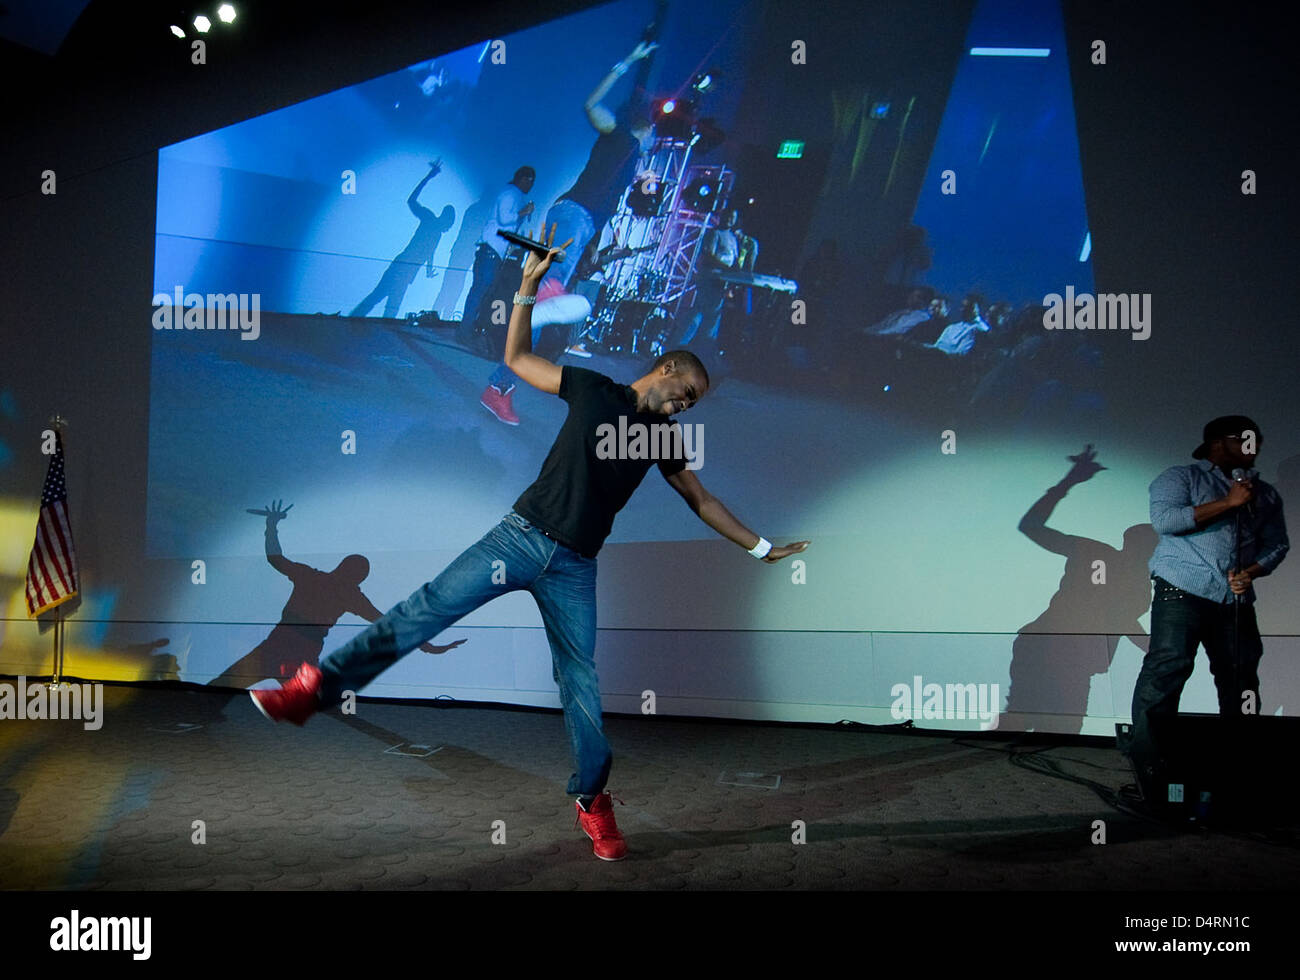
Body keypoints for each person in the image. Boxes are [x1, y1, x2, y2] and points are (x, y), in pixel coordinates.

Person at [252, 228, 811, 861]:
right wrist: (524, 286)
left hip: (575, 567)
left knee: (580, 683)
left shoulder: (664, 440)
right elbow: (517, 361)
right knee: (421, 611)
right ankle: (310, 692)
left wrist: (763, 549)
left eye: (691, 405)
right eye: (685, 393)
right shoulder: (594, 388)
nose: (684, 407)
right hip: (517, 540)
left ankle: (593, 802)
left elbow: (702, 501)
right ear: (665, 370)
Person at [481, 41, 659, 427]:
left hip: (579, 223)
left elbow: (629, 202)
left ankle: (500, 385)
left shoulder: (631, 159)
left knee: (538, 317)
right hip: (573, 217)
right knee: (541, 308)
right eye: (653, 130)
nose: (655, 138)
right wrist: (627, 61)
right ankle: (534, 308)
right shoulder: (619, 136)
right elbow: (591, 105)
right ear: (642, 127)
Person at [1127, 416, 1289, 777]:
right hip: (1182, 589)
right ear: (1218, 444)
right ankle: (1150, 761)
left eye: (1257, 440)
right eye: (1245, 439)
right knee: (1168, 668)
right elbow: (1167, 521)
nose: (1255, 446)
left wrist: (1251, 572)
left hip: (1234, 600)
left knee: (1241, 676)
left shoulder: (1265, 493)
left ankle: (1239, 760)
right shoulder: (1181, 477)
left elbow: (1277, 544)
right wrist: (1229, 502)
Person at [351, 160, 456, 319]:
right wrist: (428, 177)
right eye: (449, 225)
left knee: (383, 301)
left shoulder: (437, 233)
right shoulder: (428, 219)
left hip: (406, 270)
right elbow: (411, 200)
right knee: (385, 302)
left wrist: (429, 268)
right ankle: (355, 320)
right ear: (446, 219)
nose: (448, 229)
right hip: (403, 267)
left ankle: (358, 320)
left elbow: (430, 252)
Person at [461, 166, 536, 348]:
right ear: (522, 179)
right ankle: (464, 332)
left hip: (496, 252)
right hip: (490, 250)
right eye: (529, 180)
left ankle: (472, 330)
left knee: (486, 292)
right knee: (480, 291)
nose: (531, 185)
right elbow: (504, 219)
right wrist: (523, 212)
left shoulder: (516, 196)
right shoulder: (510, 193)